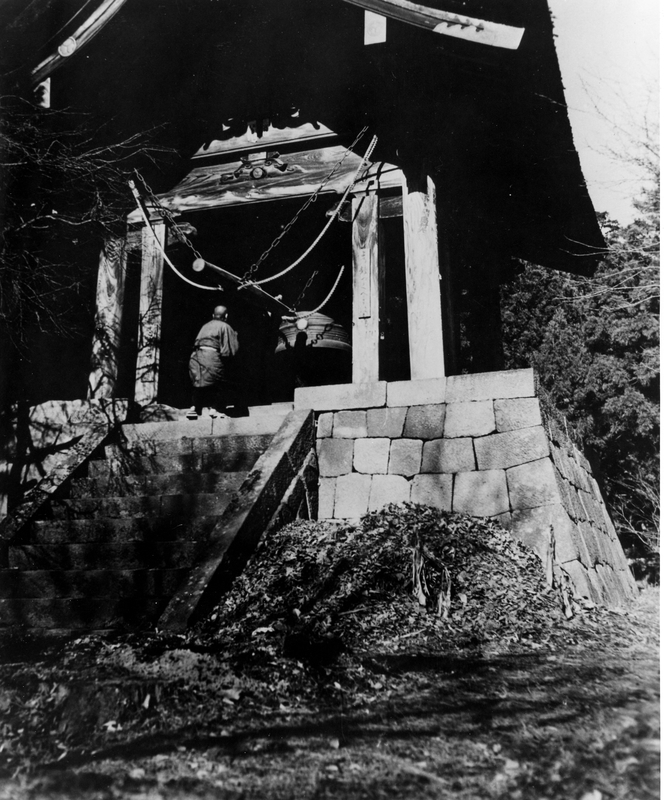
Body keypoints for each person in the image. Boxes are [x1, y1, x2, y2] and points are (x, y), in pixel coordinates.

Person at [186, 305, 239, 419]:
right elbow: (229, 351)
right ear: (226, 316)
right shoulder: (225, 327)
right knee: (222, 382)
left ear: (213, 315)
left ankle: (194, 408)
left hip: (195, 357)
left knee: (198, 382)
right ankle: (216, 409)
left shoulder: (205, 326)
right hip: (211, 357)